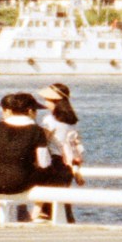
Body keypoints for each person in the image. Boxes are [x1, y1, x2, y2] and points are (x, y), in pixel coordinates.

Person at [0, 91, 53, 224]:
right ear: (29, 111)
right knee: (48, 172)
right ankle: (40, 212)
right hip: (18, 183)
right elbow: (44, 163)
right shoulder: (37, 131)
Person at [41, 87, 87, 223]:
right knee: (63, 201)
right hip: (67, 164)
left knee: (49, 202)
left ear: (55, 101)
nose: (45, 102)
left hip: (54, 161)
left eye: (47, 100)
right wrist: (77, 170)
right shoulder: (72, 121)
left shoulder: (50, 120)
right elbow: (75, 147)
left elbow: (43, 141)